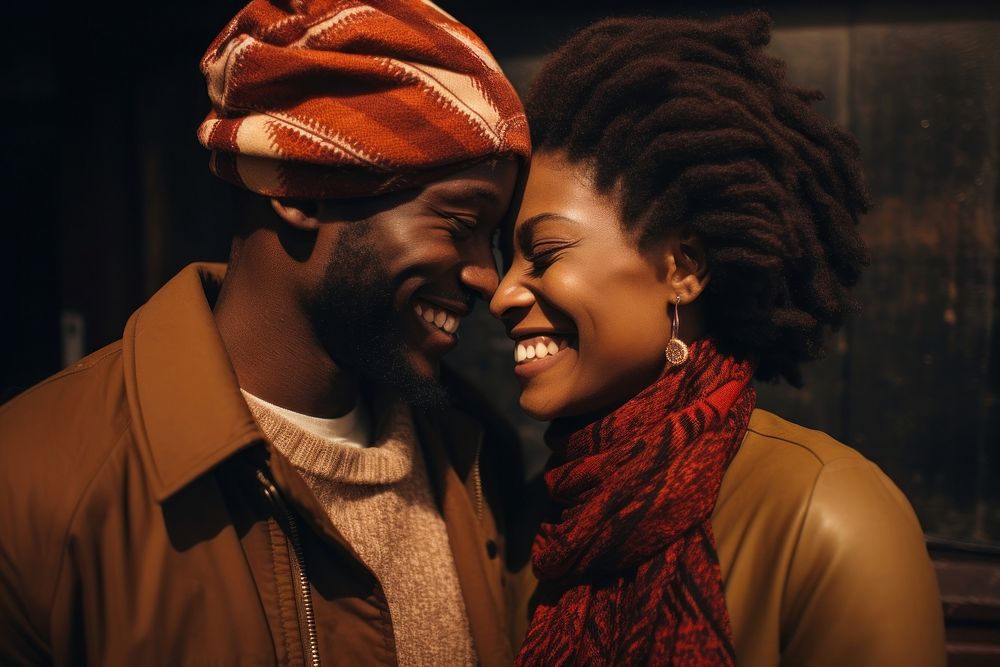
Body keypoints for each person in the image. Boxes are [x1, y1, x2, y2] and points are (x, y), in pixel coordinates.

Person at [0, 1, 531, 665]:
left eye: (495, 240)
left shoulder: (479, 454)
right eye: (460, 224)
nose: (489, 278)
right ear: (301, 189)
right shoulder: (33, 483)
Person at [490, 11, 945, 667]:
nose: (504, 294)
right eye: (508, 261)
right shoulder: (539, 522)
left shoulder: (830, 515)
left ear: (682, 269)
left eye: (546, 253)